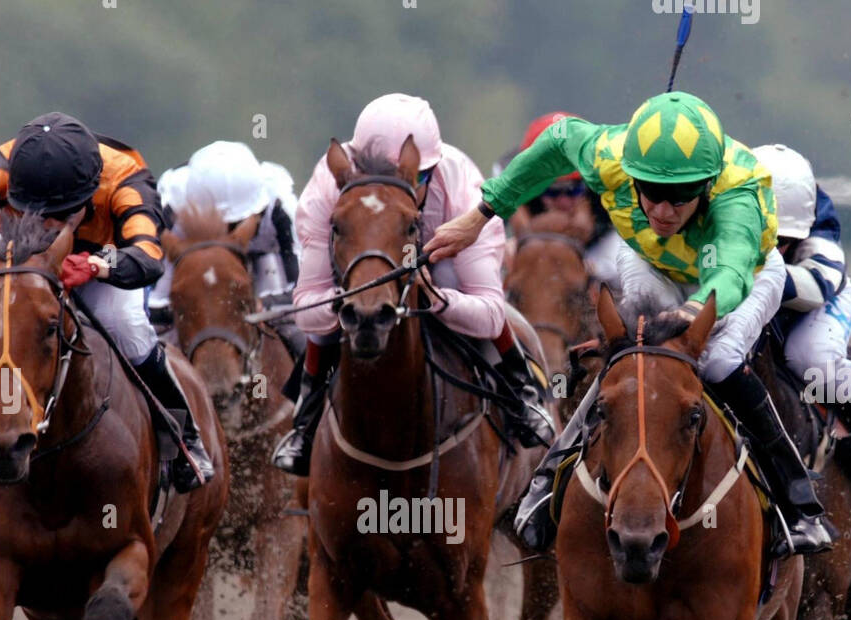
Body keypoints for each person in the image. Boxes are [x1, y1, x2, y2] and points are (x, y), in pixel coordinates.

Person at [427, 91, 836, 558]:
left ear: (706, 185)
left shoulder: (737, 195)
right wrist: (481, 215)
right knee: (628, 351)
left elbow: (733, 271)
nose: (662, 211)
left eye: (679, 197)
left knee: (718, 360)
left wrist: (692, 310)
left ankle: (798, 502)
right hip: (654, 261)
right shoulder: (608, 153)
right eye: (652, 193)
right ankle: (547, 482)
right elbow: (555, 140)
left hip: (743, 274)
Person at [0, 111, 214, 494]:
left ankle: (184, 439)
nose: (49, 226)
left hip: (103, 267)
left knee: (128, 329)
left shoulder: (125, 179)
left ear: (91, 191)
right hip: (23, 264)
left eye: (61, 214)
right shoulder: (3, 167)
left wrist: (96, 264)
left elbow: (148, 254)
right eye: (34, 210)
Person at [270, 92, 555, 477]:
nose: (396, 187)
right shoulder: (326, 188)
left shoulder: (463, 186)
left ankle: (522, 392)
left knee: (466, 296)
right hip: (363, 271)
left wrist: (435, 298)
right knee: (332, 318)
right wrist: (345, 298)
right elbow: (308, 305)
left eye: (416, 177)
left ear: (431, 170)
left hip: (443, 262)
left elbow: (488, 312)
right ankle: (306, 419)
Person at [752, 143, 851, 507]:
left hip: (816, 300)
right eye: (762, 238)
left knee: (811, 357)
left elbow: (813, 288)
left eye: (783, 242)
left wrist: (752, 274)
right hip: (759, 296)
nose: (771, 249)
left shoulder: (818, 230)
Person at [150, 140, 304, 360]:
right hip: (189, 263)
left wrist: (261, 305)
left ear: (257, 211)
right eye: (217, 225)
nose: (226, 238)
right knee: (151, 334)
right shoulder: (169, 208)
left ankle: (313, 389)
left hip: (264, 259)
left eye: (234, 225)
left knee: (296, 324)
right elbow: (149, 307)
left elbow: (301, 290)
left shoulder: (280, 207)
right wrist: (192, 309)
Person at [509, 112, 622, 290]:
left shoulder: (606, 178)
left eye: (573, 190)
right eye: (552, 192)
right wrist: (527, 232)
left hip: (601, 244)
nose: (563, 201)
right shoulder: (515, 179)